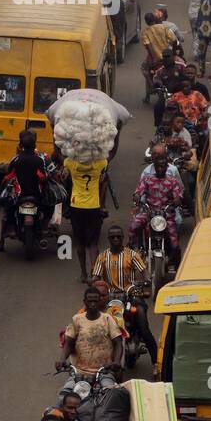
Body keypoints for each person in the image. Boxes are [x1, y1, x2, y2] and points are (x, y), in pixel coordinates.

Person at [92, 225, 158, 373]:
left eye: (118, 237)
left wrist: (146, 280)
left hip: (131, 295)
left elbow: (144, 271)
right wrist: (93, 282)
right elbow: (95, 276)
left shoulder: (132, 255)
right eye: (112, 237)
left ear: (123, 238)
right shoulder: (102, 256)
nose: (116, 239)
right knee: (97, 324)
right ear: (108, 239)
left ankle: (156, 362)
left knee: (143, 325)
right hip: (109, 298)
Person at [55, 286, 123, 391]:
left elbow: (118, 343)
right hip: (79, 373)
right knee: (64, 395)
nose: (92, 304)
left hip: (104, 372)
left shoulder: (107, 319)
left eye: (95, 301)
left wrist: (117, 361)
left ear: (100, 301)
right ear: (84, 301)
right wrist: (61, 360)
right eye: (89, 301)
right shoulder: (76, 319)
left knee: (111, 393)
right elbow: (68, 344)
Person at [0, 130, 50, 254]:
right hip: (36, 196)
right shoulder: (39, 160)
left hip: (19, 196)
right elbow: (42, 177)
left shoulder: (16, 160)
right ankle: (44, 228)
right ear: (34, 145)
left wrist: (1, 190)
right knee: (48, 207)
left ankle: (1, 241)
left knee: (7, 211)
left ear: (20, 145)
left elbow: (8, 176)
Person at [130, 145, 184, 257]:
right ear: (154, 166)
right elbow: (139, 190)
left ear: (166, 167)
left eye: (162, 167)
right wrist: (136, 196)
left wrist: (177, 200)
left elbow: (178, 195)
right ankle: (133, 250)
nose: (160, 169)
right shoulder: (147, 179)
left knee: (174, 240)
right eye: (158, 167)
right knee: (133, 226)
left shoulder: (172, 181)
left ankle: (175, 262)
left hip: (166, 214)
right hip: (149, 212)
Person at [65, 154, 108, 283]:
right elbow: (109, 156)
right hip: (93, 206)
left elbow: (62, 155)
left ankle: (83, 274)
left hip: (76, 206)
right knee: (93, 244)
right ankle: (94, 274)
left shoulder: (70, 163)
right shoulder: (100, 162)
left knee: (80, 243)